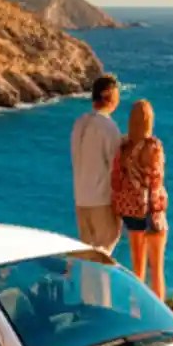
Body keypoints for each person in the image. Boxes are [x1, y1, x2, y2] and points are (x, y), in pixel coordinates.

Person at [111, 99, 169, 299]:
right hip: (151, 211)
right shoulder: (153, 147)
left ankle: (138, 313)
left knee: (138, 270)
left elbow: (116, 179)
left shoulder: (124, 147)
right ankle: (158, 316)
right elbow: (156, 180)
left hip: (131, 212)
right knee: (157, 270)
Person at [70, 76, 122, 254]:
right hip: (101, 200)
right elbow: (117, 165)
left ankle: (85, 281)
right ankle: (98, 282)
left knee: (87, 252)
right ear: (108, 95)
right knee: (103, 252)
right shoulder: (108, 127)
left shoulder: (79, 123)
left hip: (81, 199)